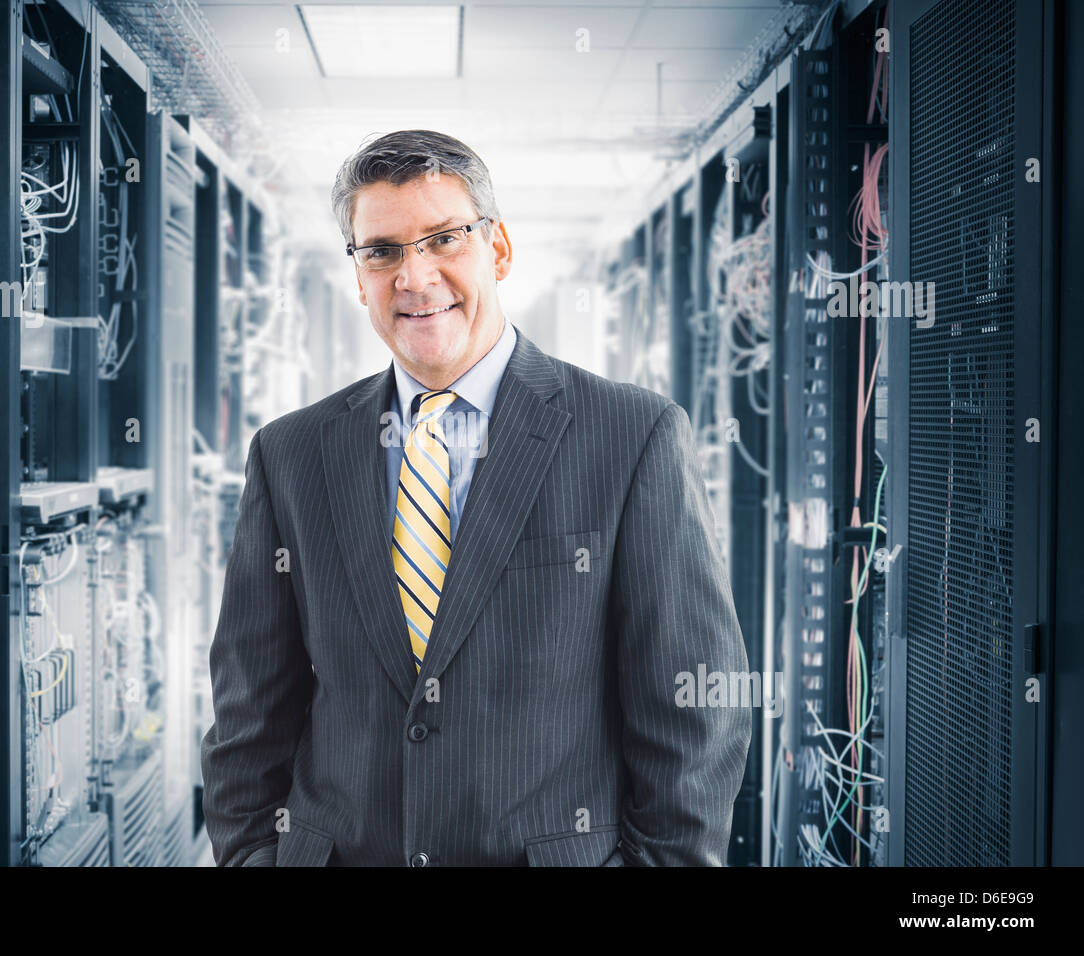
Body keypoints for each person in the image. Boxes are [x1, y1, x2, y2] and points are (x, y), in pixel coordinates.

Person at [200, 129, 751, 866]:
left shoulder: (632, 436)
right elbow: (249, 713)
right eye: (382, 250)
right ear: (359, 272)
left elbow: (694, 718)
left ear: (498, 250)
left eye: (444, 239)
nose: (414, 275)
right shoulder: (290, 454)